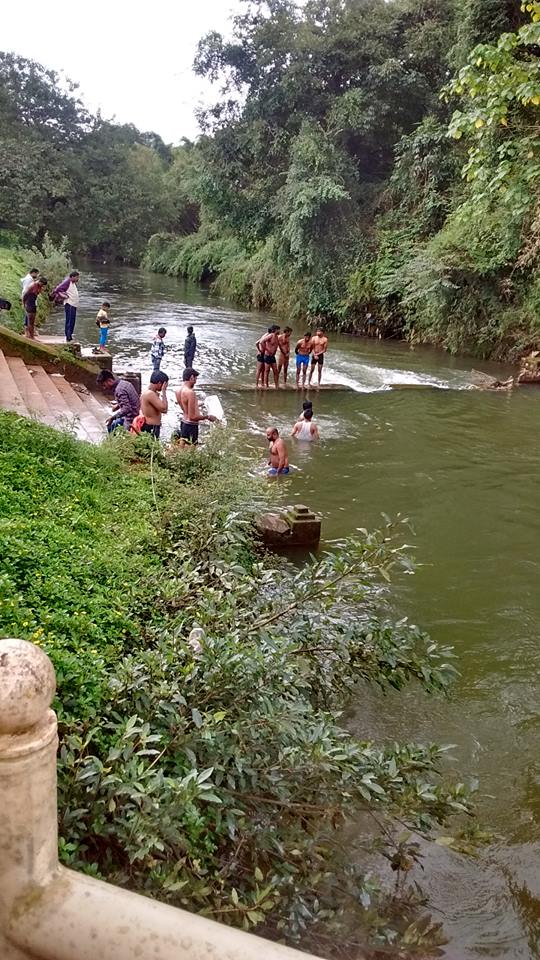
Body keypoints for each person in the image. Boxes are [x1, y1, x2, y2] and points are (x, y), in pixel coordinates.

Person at [173, 367, 217, 446]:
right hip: (191, 426)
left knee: (183, 448)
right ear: (191, 377)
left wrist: (201, 403)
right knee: (191, 449)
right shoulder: (190, 393)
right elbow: (192, 417)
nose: (195, 382)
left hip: (184, 423)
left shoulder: (178, 390)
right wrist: (208, 417)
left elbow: (186, 407)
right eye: (195, 379)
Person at [52, 270, 80, 342]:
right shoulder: (67, 282)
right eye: (77, 277)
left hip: (73, 304)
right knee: (69, 321)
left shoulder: (72, 283)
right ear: (72, 277)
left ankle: (70, 336)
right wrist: (64, 295)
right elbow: (58, 289)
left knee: (72, 321)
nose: (78, 279)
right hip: (69, 304)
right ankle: (68, 337)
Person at [139, 371, 169, 439]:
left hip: (149, 426)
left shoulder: (148, 393)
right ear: (159, 383)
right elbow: (164, 409)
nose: (165, 387)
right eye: (165, 385)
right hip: (151, 427)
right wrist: (164, 392)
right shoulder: (150, 394)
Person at [256, 324, 280, 388]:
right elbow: (260, 342)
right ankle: (264, 385)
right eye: (278, 330)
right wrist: (266, 350)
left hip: (272, 356)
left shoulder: (276, 336)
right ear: (274, 330)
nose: (279, 331)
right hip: (266, 355)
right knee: (265, 371)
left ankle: (276, 385)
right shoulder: (269, 335)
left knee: (275, 370)